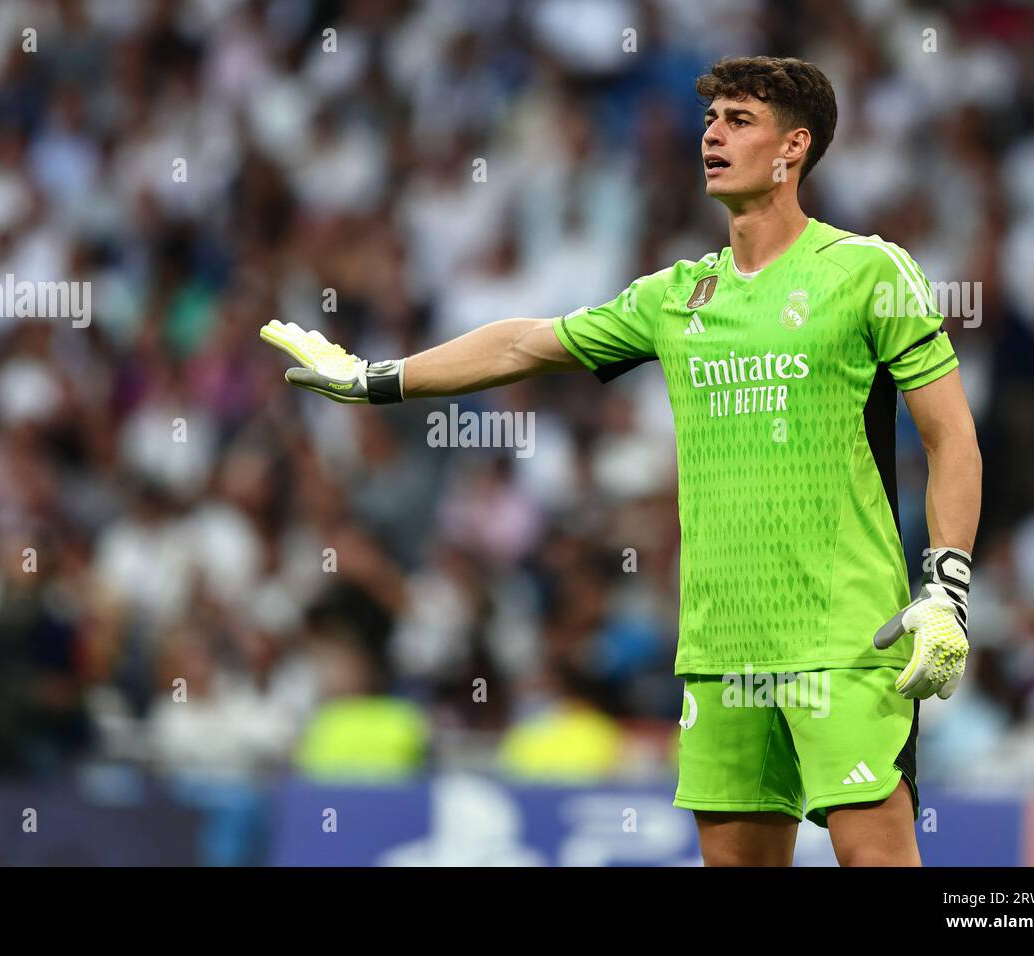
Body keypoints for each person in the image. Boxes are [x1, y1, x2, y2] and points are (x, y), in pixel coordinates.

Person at [258, 56, 982, 867]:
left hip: (850, 638)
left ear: (794, 148)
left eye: (740, 120)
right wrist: (375, 378)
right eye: (711, 118)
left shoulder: (866, 271)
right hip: (721, 652)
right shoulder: (677, 296)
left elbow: (952, 435)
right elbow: (525, 341)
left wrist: (947, 590)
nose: (713, 132)